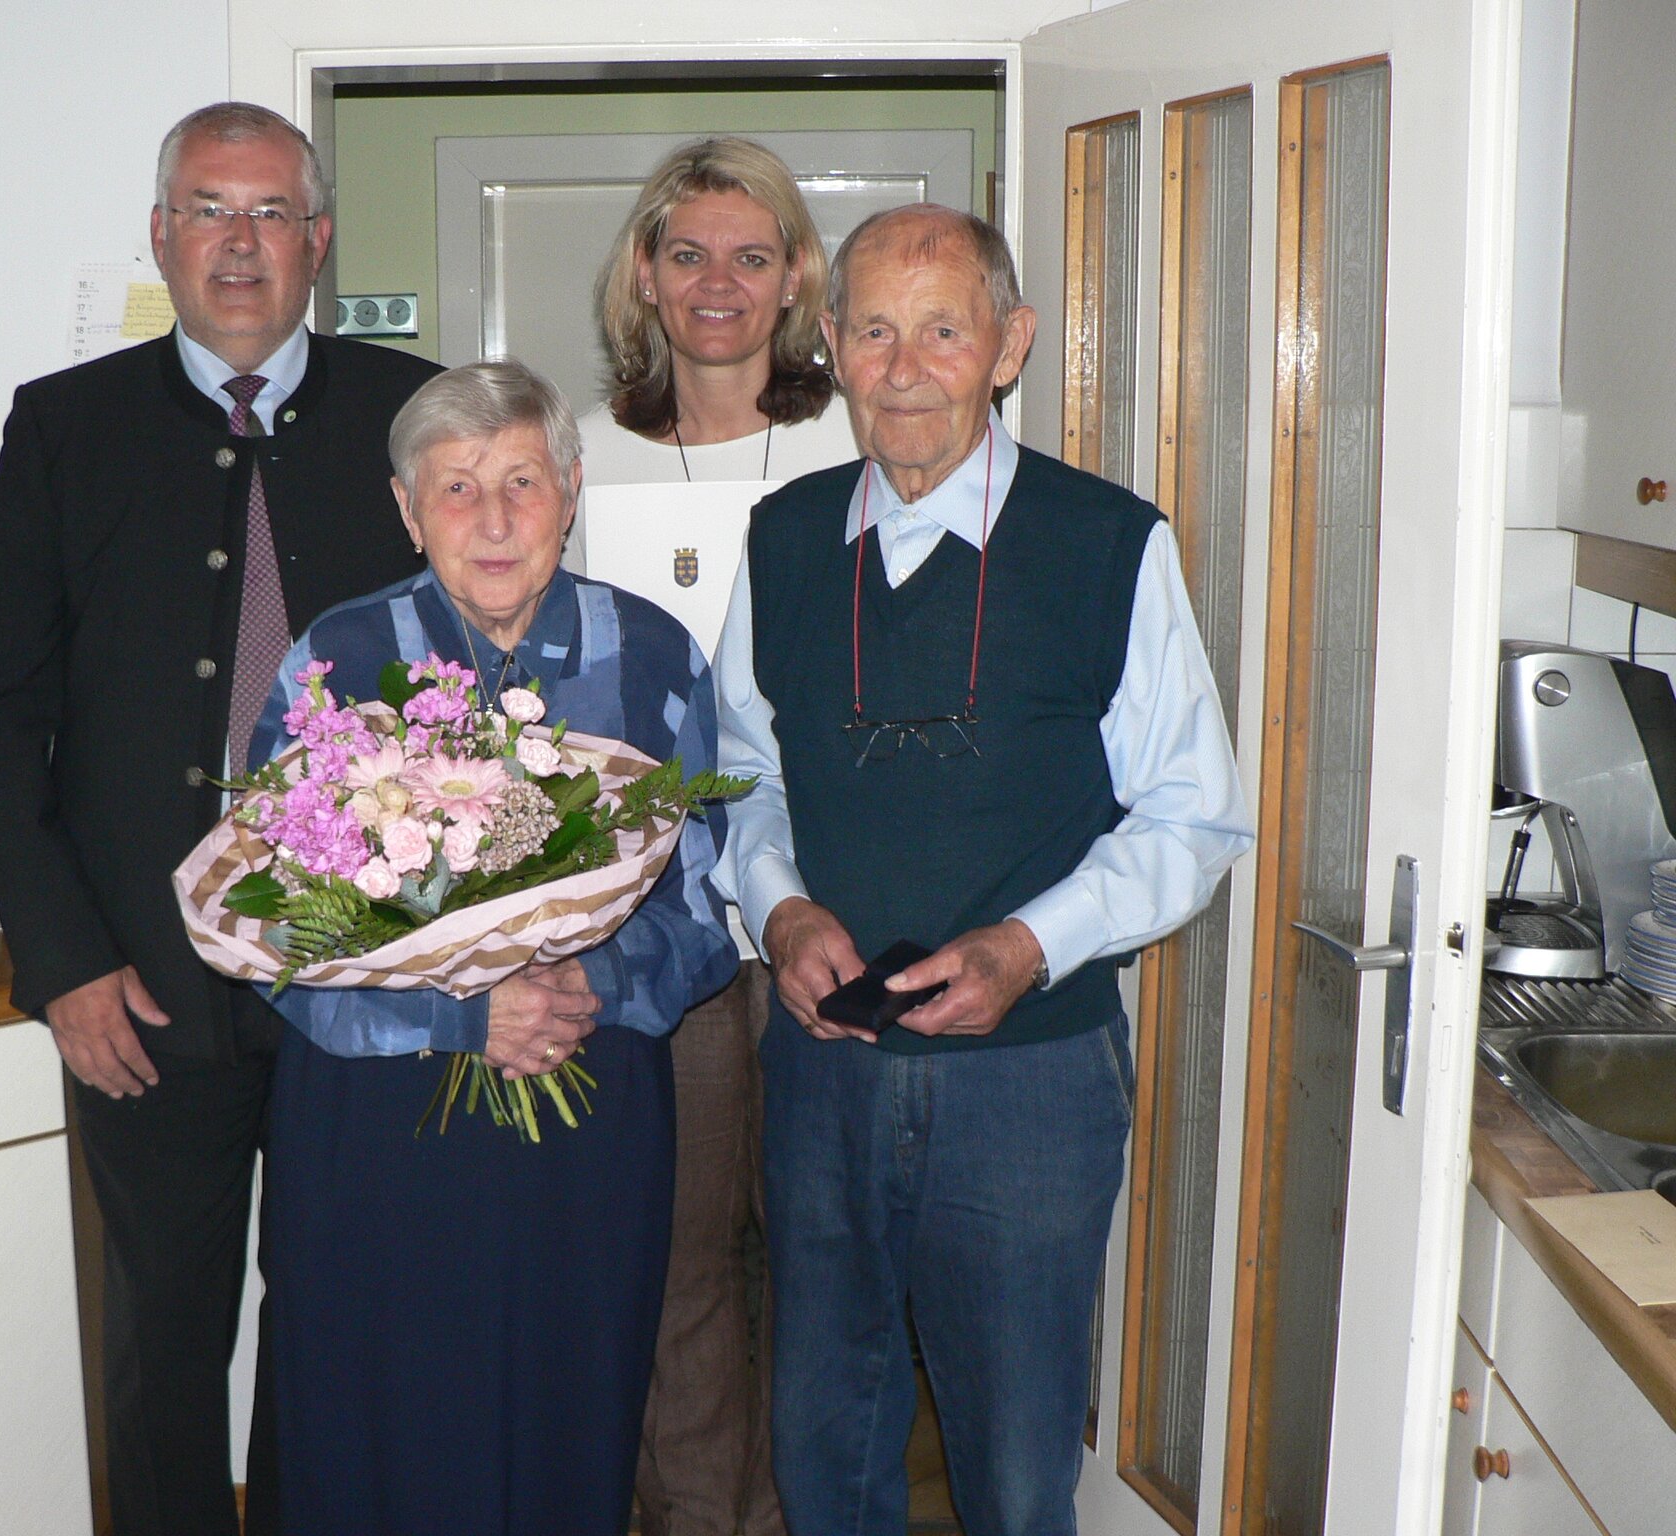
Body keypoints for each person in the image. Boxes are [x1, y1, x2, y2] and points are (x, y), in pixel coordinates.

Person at [713, 204, 1254, 1536]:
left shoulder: (1109, 543)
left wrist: (1030, 947)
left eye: (943, 330)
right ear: (830, 344)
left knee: (1016, 1461)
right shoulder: (781, 541)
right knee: (822, 1434)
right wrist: (777, 909)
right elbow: (742, 771)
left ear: (1007, 346)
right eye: (875, 331)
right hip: (825, 1070)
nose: (904, 369)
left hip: (1032, 1084)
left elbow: (1194, 817)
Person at [0, 102, 439, 1536]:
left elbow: (474, 679)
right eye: (210, 211)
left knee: (333, 1320)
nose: (241, 243)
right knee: (164, 1338)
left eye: (273, 212)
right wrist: (58, 962)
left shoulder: (416, 412)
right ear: (163, 236)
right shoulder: (64, 426)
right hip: (141, 987)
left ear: (319, 242)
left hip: (358, 974)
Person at [249, 359, 739, 1536]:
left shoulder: (655, 655)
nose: (495, 517)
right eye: (457, 488)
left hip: (585, 1090)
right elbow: (274, 919)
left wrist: (589, 980)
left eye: (521, 478)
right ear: (408, 510)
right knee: (378, 1409)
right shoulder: (334, 662)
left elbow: (708, 894)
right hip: (379, 1112)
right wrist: (460, 1014)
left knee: (571, 1396)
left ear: (571, 491)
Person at [577, 136, 859, 1536]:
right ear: (644, 270)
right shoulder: (572, 453)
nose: (717, 282)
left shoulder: (858, 440)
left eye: (754, 255)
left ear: (798, 275)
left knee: (816, 1258)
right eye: (686, 252)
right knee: (679, 1263)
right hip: (654, 934)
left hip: (827, 917)